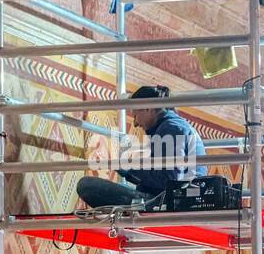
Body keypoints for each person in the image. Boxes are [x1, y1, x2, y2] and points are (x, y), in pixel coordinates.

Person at [76, 85, 207, 209]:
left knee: (87, 186)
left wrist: (131, 168)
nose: (135, 123)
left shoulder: (170, 128)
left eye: (135, 115)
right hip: (177, 199)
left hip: (171, 202)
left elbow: (169, 181)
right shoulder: (174, 126)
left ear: (148, 108)